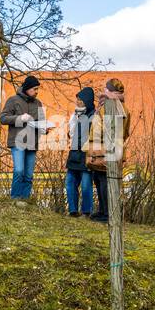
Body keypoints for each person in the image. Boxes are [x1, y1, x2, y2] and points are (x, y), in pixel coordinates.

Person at [86, 77, 129, 223]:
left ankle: (107, 214)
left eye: (106, 89)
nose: (103, 91)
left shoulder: (112, 107)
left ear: (110, 91)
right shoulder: (116, 106)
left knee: (105, 181)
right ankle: (103, 211)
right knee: (99, 179)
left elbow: (108, 129)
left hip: (106, 148)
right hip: (102, 147)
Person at [0, 75, 44, 199]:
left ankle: (25, 201)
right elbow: (3, 118)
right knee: (19, 171)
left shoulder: (38, 103)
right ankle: (15, 199)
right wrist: (19, 118)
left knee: (28, 175)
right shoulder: (13, 100)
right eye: (34, 89)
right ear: (27, 88)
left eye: (37, 89)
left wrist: (45, 128)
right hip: (17, 142)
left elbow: (41, 121)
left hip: (32, 142)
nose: (36, 92)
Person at [65, 87, 95, 217]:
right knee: (70, 182)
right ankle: (73, 210)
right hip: (74, 153)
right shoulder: (75, 115)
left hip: (87, 154)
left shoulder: (94, 115)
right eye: (77, 99)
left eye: (80, 100)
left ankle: (86, 211)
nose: (77, 102)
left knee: (86, 185)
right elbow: (71, 133)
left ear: (86, 101)